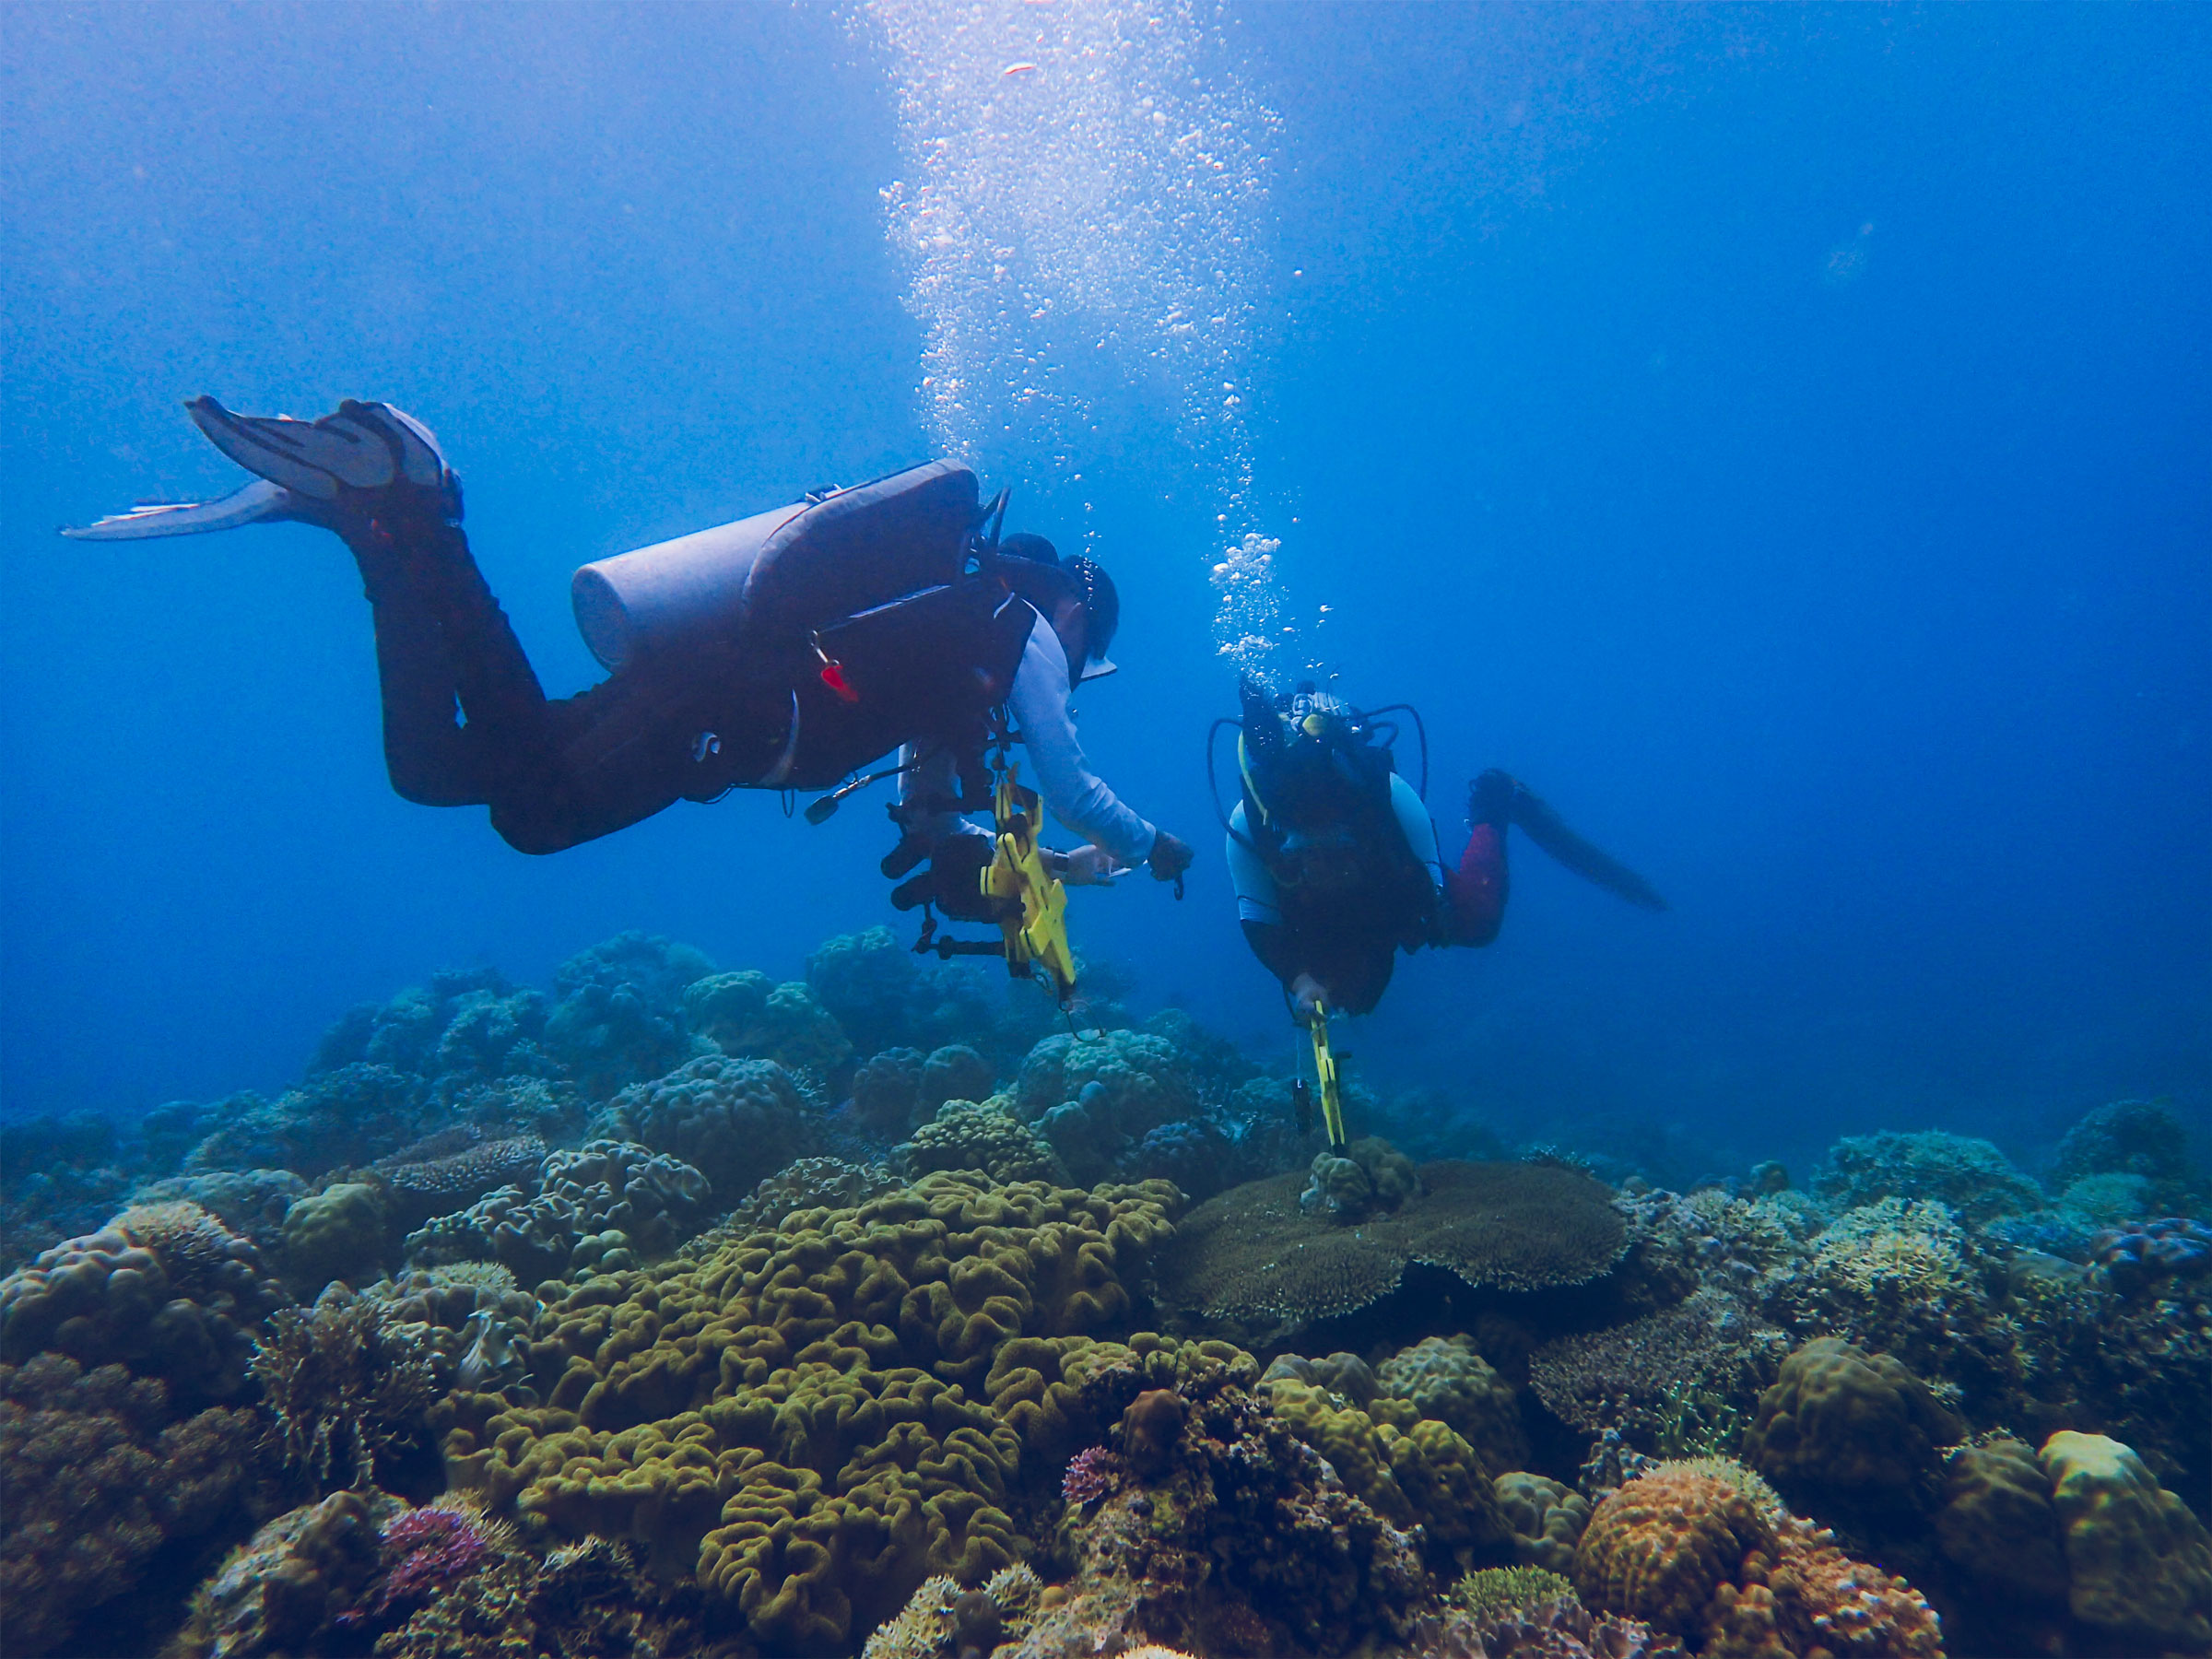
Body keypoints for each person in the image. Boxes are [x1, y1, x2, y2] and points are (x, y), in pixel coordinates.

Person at [66, 398, 1192, 915]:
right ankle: (423, 510)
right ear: (1078, 607)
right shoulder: (1026, 626)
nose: (1077, 668)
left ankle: (371, 526)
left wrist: (1051, 873)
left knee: (437, 774)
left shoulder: (962, 633)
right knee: (537, 812)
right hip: (734, 711)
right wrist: (1157, 850)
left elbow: (928, 794)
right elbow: (1071, 779)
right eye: (1090, 651)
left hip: (714, 694)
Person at [1223, 678, 1665, 1022]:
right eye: (1304, 848)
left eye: (1334, 847)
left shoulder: (1386, 797)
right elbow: (1258, 922)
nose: (1321, 862)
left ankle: (1494, 801)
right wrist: (1300, 981)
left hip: (1385, 881)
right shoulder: (1249, 823)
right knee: (1333, 985)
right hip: (1307, 910)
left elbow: (1432, 896)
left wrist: (1418, 915)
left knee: (1478, 921)